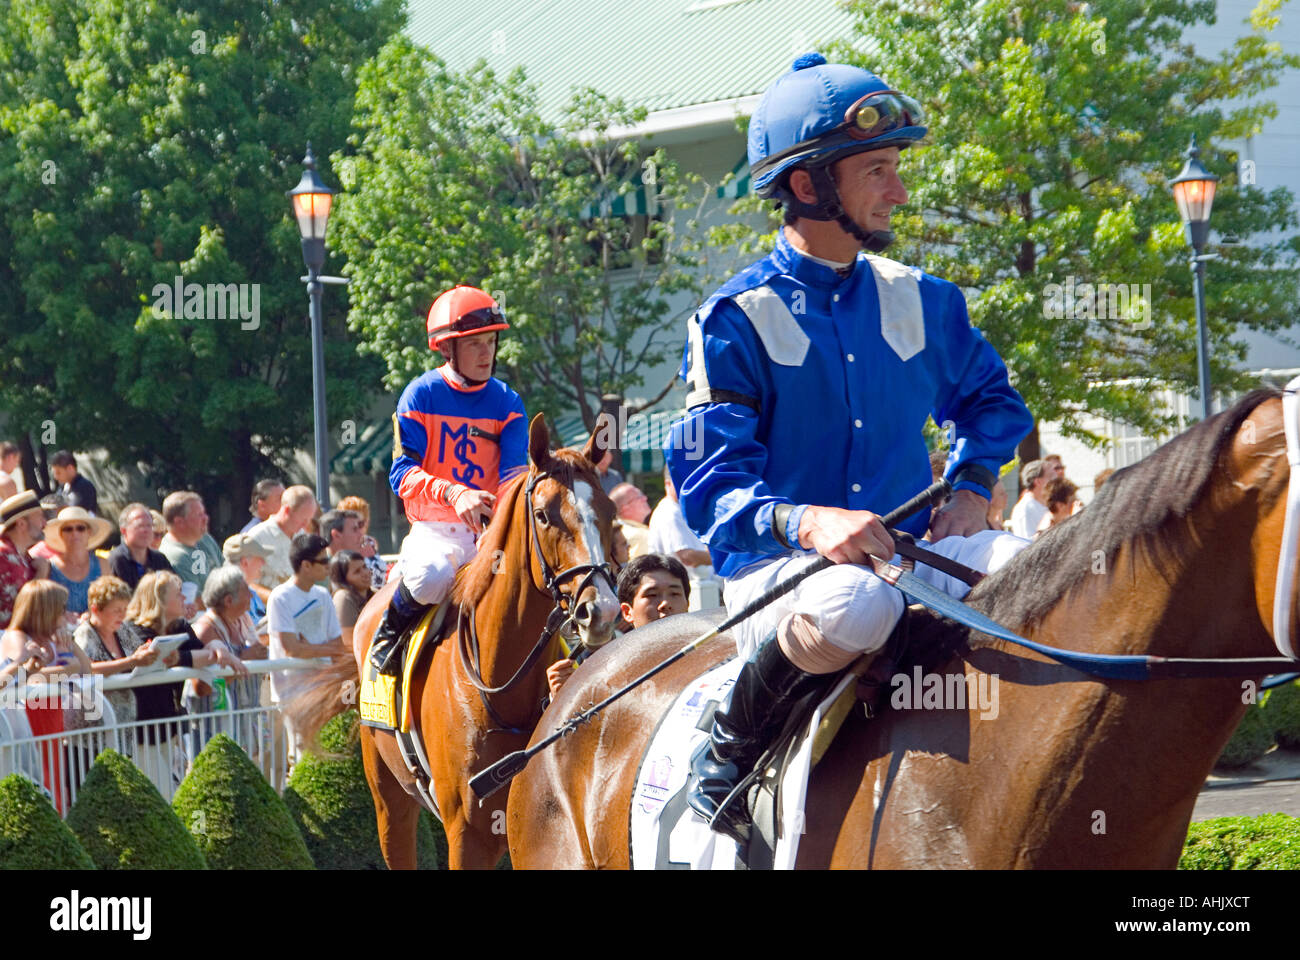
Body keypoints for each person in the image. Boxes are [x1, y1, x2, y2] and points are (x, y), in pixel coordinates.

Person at [668, 54, 1035, 841]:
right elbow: (709, 484)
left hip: (910, 558)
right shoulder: (732, 318)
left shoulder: (925, 300)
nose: (898, 190)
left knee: (1031, 567)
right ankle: (728, 751)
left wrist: (971, 480)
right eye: (877, 170)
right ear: (808, 186)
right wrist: (807, 522)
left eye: (895, 168)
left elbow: (994, 403)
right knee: (855, 601)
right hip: (783, 578)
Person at [369, 284, 527, 676]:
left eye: (490, 342)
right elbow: (401, 474)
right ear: (446, 348)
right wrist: (455, 494)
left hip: (491, 534)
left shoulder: (508, 401)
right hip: (435, 531)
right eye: (474, 344)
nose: (486, 353)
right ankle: (388, 633)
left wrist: (503, 517)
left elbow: (513, 477)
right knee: (433, 576)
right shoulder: (420, 395)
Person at [119, 571, 247, 791]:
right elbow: (160, 660)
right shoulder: (133, 629)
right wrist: (185, 658)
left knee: (165, 794)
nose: (184, 599)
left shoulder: (178, 626)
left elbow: (200, 652)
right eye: (178, 594)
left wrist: (215, 647)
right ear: (159, 599)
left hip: (167, 725)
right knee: (160, 794)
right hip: (140, 726)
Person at [545, 553, 690, 700]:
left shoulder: (709, 657)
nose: (665, 604)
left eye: (675, 593)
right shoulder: (602, 672)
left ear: (687, 604)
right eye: (652, 595)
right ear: (627, 611)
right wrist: (564, 698)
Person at [74, 575, 157, 724]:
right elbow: (87, 669)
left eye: (125, 609)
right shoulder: (84, 634)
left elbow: (138, 652)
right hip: (93, 730)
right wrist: (130, 662)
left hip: (124, 724)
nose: (123, 615)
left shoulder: (122, 629)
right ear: (96, 609)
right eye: (117, 610)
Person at [43, 507, 111, 621]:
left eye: (80, 528)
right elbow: (42, 605)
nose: (75, 533)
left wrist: (93, 614)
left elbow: (111, 601)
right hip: (60, 631)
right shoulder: (49, 566)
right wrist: (60, 615)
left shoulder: (103, 564)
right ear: (61, 534)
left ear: (89, 532)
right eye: (68, 529)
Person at [158, 491, 224, 609]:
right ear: (179, 522)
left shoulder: (205, 539)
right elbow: (196, 602)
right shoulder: (175, 556)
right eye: (199, 515)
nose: (206, 518)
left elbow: (227, 571)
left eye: (204, 513)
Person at [248, 485, 317, 590]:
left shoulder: (303, 537)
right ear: (287, 510)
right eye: (303, 519)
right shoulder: (257, 537)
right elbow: (246, 582)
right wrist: (276, 600)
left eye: (309, 519)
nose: (305, 525)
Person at [0, 491, 49, 629]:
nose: (44, 523)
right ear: (21, 524)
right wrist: (41, 573)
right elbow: (26, 607)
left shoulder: (20, 554)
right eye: (39, 516)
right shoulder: (4, 556)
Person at [646, 466, 711, 569]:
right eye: (681, 482)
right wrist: (721, 557)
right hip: (685, 582)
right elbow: (687, 556)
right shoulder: (669, 512)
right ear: (668, 484)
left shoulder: (681, 508)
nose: (688, 486)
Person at [107, 503, 175, 592]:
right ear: (124, 531)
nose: (146, 530)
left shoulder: (159, 559)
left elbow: (175, 587)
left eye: (149, 526)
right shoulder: (116, 560)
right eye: (140, 526)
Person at [337, 495, 389, 592]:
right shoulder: (342, 546)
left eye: (363, 522)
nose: (361, 529)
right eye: (355, 526)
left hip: (379, 595)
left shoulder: (371, 542)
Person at [222, 533, 272, 621]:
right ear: (245, 563)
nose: (263, 563)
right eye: (260, 558)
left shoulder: (251, 593)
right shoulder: (228, 599)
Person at [329, 549, 373, 647]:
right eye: (357, 572)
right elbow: (347, 643)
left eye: (364, 567)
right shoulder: (343, 598)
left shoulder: (374, 593)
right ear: (343, 579)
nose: (365, 573)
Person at [609, 483, 652, 560]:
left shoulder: (621, 531)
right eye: (639, 497)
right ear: (625, 508)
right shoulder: (640, 536)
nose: (645, 498)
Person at [1008, 459, 1048, 539]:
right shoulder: (1024, 509)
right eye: (1052, 477)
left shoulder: (1047, 505)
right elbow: (1027, 545)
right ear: (1038, 482)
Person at [49, 450, 98, 516]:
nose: (56, 477)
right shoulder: (63, 487)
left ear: (70, 469)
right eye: (54, 474)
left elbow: (77, 512)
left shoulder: (84, 486)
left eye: (58, 473)